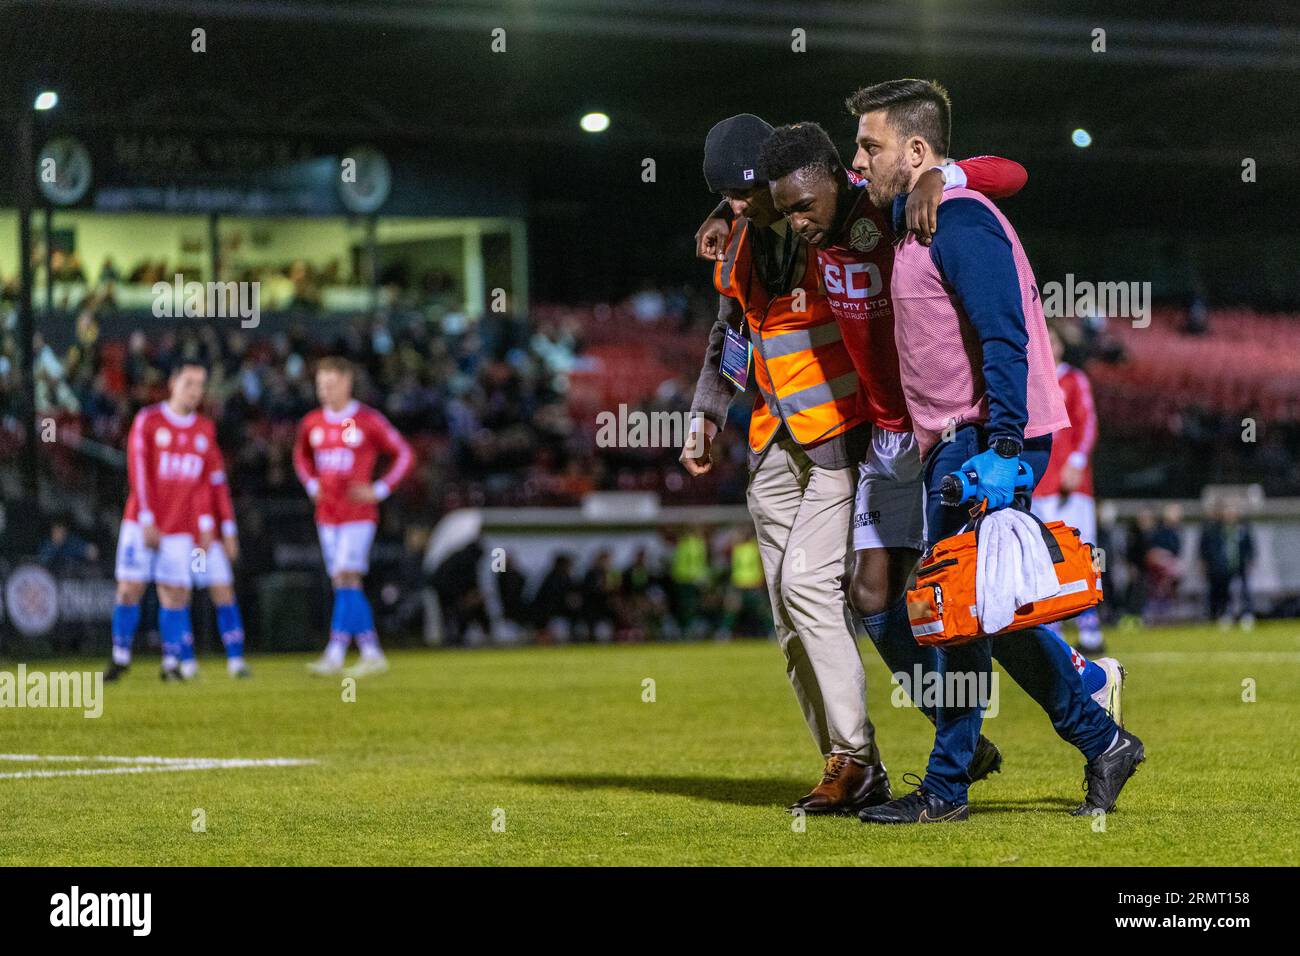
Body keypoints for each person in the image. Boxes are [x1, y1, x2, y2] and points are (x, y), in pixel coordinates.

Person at [685, 115, 1018, 812]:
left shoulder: (836, 214)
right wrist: (704, 415)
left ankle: (861, 758)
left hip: (851, 437)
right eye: (728, 200)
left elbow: (1007, 173)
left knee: (826, 592)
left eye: (745, 197)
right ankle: (908, 743)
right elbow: (729, 334)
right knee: (794, 611)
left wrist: (942, 173)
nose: (740, 210)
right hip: (772, 442)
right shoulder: (745, 237)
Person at [836, 78, 1143, 823]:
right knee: (983, 614)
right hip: (961, 439)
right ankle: (1102, 741)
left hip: (982, 440)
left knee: (958, 612)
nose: (858, 161)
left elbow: (1003, 335)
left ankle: (947, 788)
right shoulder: (921, 215)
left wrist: (1003, 444)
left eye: (869, 146)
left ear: (916, 151)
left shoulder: (958, 220)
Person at [105, 361, 230, 681]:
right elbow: (139, 471)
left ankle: (171, 663)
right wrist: (147, 518)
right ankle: (120, 657)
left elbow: (205, 482)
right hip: (140, 522)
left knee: (175, 593)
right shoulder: (149, 419)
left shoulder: (204, 428)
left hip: (181, 528)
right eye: (189, 383)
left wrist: (205, 525)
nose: (195, 391)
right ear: (173, 383)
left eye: (200, 385)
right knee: (129, 589)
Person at [294, 356, 413, 676]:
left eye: (331, 383)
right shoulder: (312, 423)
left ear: (347, 381)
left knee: (347, 575)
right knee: (343, 583)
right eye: (320, 385)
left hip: (358, 513)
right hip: (326, 514)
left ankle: (335, 653)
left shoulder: (368, 420)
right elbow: (300, 457)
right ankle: (372, 651)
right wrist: (310, 483)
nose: (325, 390)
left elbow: (403, 453)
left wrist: (381, 488)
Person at [1031, 324, 1108, 659]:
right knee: (1044, 557)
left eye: (1053, 339)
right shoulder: (1029, 380)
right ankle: (1055, 627)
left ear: (1061, 345)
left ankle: (1090, 627)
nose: (1049, 345)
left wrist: (1077, 462)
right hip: (1038, 483)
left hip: (1070, 484)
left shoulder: (1073, 379)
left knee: (1082, 552)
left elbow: (1087, 422)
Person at [1199, 500, 1256, 628]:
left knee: (1244, 590)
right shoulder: (1215, 529)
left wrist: (1251, 561)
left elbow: (1250, 547)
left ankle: (1247, 614)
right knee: (1224, 591)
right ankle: (1226, 614)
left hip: (1239, 564)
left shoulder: (1243, 528)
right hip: (1223, 566)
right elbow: (1205, 549)